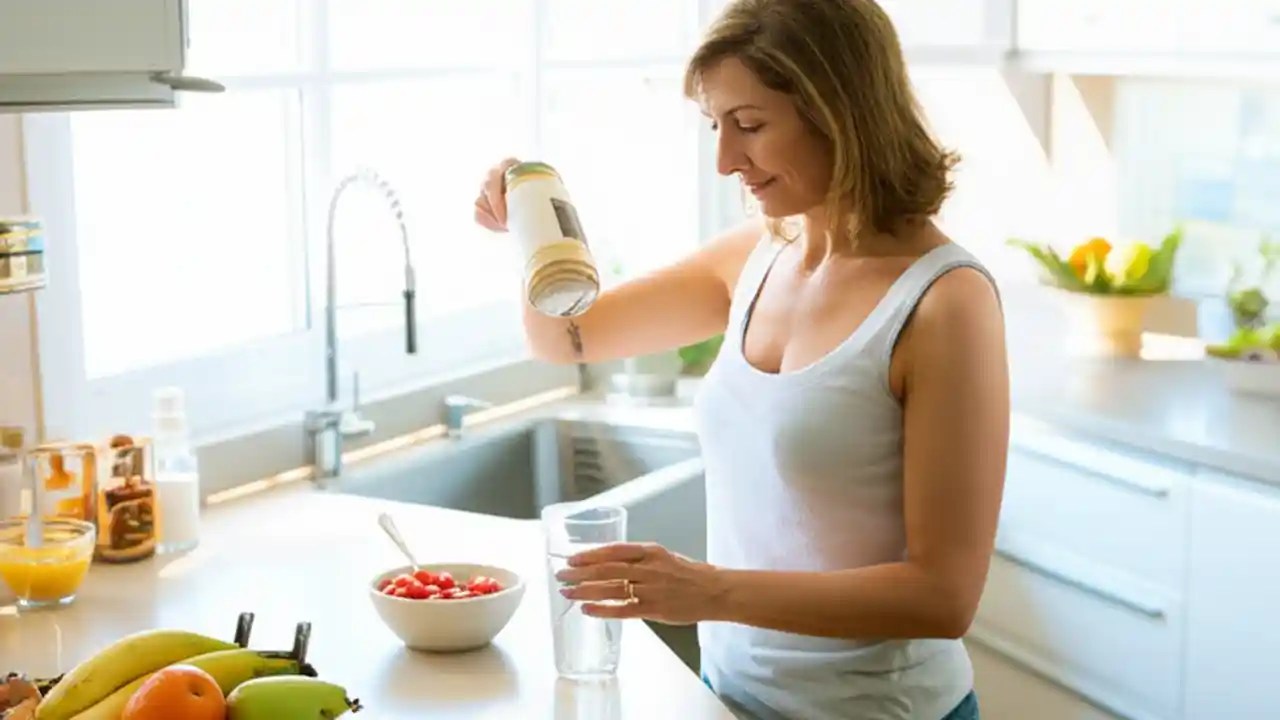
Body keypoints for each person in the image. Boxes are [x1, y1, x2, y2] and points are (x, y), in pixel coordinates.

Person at [473, 1, 1009, 718]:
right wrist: (535, 212)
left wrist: (710, 591)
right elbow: (567, 335)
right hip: (728, 698)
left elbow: (943, 596)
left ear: (839, 112)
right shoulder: (756, 256)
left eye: (751, 125)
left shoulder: (945, 303)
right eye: (716, 126)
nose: (727, 160)